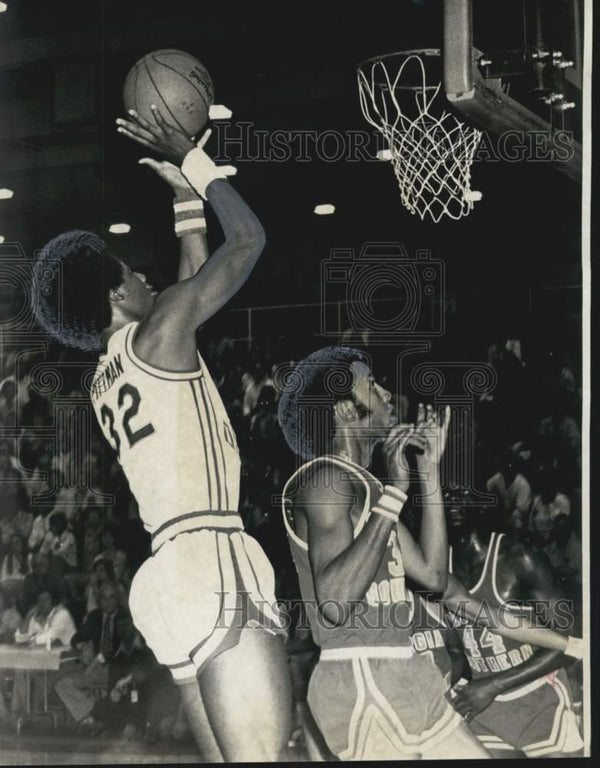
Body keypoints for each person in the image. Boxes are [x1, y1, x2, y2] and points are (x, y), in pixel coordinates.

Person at [31, 107, 291, 761]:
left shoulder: (107, 374)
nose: (145, 278)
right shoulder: (162, 328)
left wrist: (184, 203)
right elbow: (249, 241)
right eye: (131, 274)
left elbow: (188, 289)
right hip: (212, 554)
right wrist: (196, 163)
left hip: (164, 580)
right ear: (115, 297)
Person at [278, 346, 488, 760]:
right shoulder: (324, 480)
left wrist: (428, 474)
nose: (388, 393)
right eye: (372, 385)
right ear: (344, 409)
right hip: (361, 674)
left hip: (405, 668)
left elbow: (433, 577)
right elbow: (335, 602)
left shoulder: (371, 490)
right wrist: (395, 492)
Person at [445, 500, 584, 758]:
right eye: (445, 490)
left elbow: (571, 645)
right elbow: (453, 649)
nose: (453, 498)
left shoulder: (521, 558)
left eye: (462, 489)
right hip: (481, 702)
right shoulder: (437, 566)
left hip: (537, 696)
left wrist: (494, 684)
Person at [54, 582, 139, 729]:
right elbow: (76, 639)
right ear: (99, 600)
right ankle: (91, 716)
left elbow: (125, 649)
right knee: (63, 685)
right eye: (104, 598)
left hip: (117, 670)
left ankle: (95, 715)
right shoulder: (95, 616)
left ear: (118, 599)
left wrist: (100, 659)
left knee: (113, 687)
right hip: (94, 669)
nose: (108, 602)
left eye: (112, 597)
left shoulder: (126, 617)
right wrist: (84, 646)